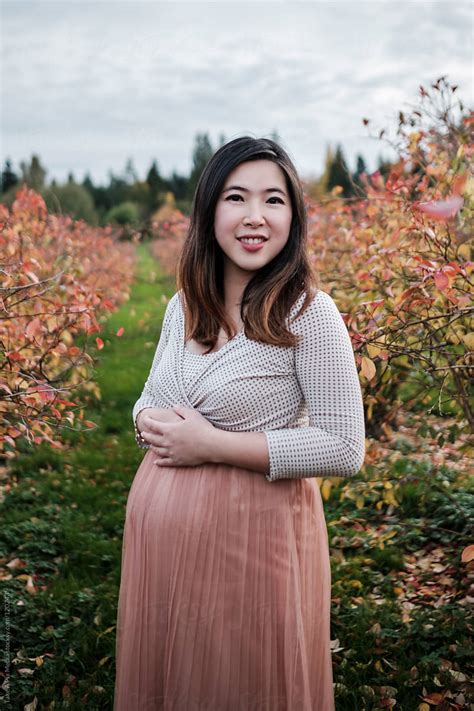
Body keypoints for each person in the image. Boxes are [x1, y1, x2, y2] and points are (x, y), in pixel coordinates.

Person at [113, 136, 366, 710]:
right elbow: (146, 401)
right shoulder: (184, 306)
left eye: (273, 200)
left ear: (293, 218)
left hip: (253, 543)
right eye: (237, 197)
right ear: (210, 212)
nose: (255, 217)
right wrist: (149, 422)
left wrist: (211, 444)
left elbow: (343, 447)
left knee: (245, 681)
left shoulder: (307, 312)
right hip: (162, 545)